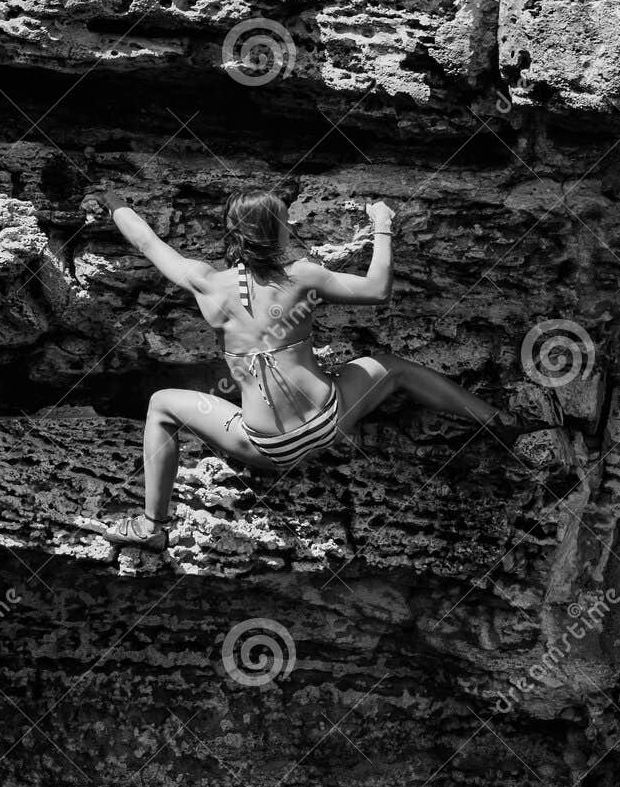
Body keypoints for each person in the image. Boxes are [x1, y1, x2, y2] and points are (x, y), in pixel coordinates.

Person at [89, 187, 530, 551]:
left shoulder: (207, 284)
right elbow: (377, 290)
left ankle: (152, 526)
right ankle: (499, 421)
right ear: (275, 232)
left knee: (161, 404)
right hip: (330, 418)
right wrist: (382, 223)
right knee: (394, 368)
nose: (291, 226)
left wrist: (112, 200)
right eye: (285, 222)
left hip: (267, 447)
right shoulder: (300, 276)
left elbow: (148, 243)